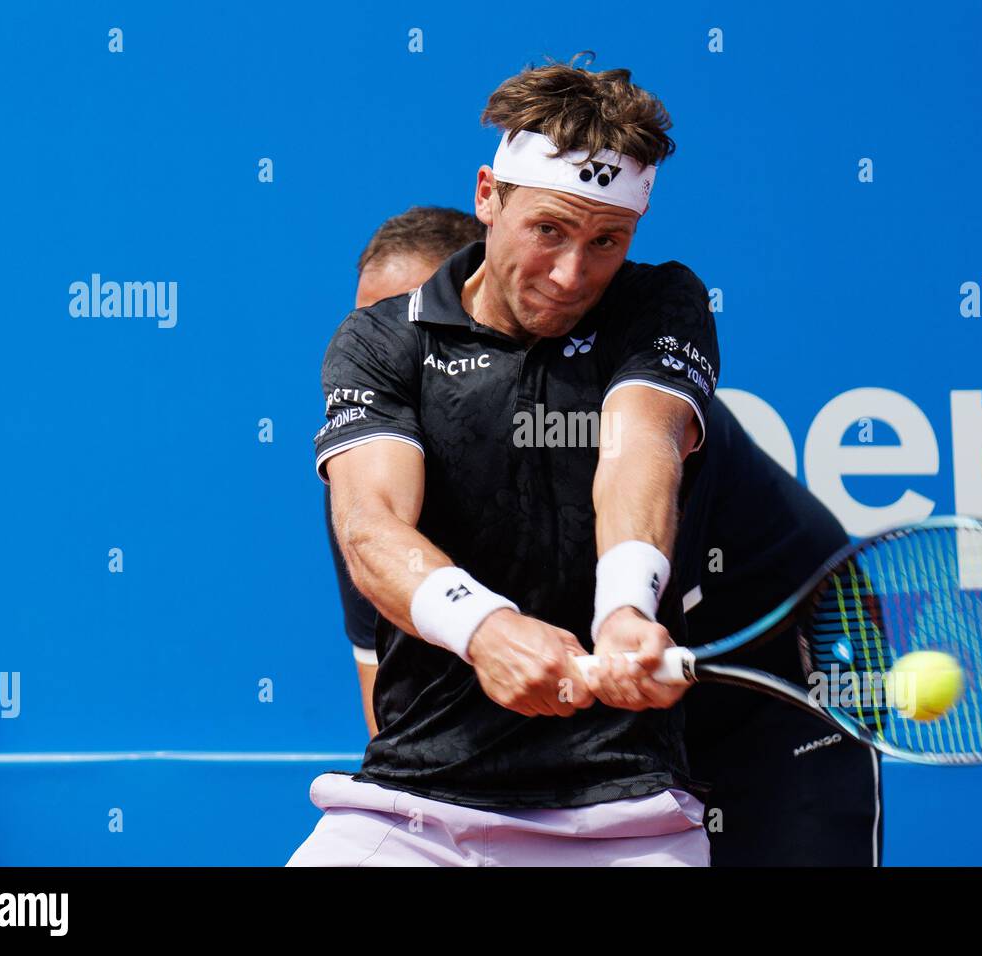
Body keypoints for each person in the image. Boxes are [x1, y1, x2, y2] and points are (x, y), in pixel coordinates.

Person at [316, 205, 882, 866]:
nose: (397, 351)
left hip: (779, 685)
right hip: (622, 723)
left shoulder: (636, 419)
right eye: (373, 324)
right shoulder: (372, 459)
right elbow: (397, 705)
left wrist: (620, 616)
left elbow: (635, 555)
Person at [289, 55, 718, 866]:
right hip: (413, 809)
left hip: (625, 816)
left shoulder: (660, 304)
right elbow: (371, 527)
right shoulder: (384, 341)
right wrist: (484, 628)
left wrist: (625, 607)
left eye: (606, 241)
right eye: (548, 230)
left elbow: (639, 448)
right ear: (488, 195)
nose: (571, 273)